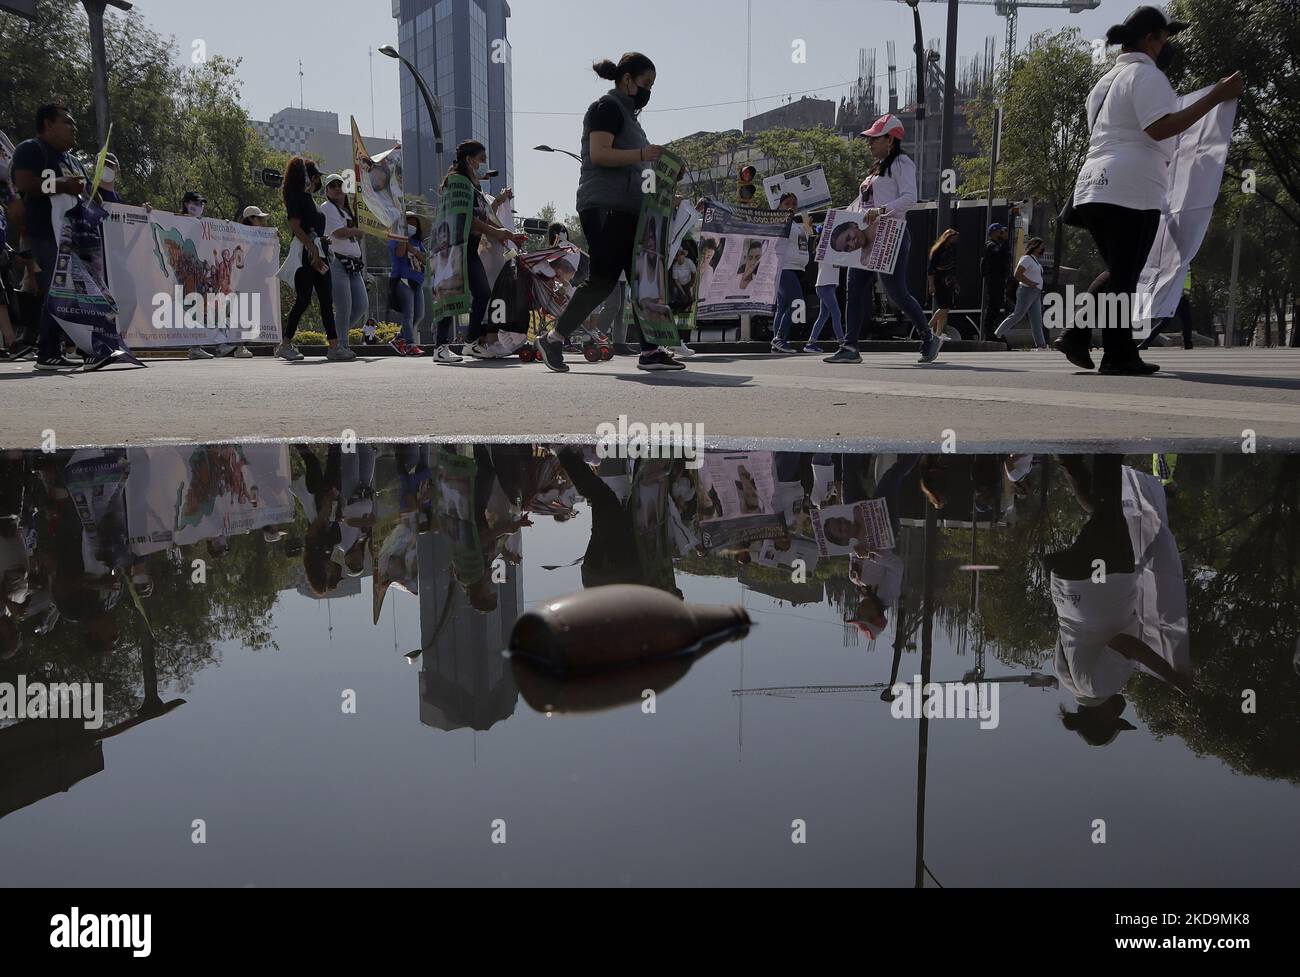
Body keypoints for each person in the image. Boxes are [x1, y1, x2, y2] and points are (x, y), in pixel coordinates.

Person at [1055, 4, 1242, 376]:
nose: (1166, 45)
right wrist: (1216, 96)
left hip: (1092, 187)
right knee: (1124, 274)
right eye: (1164, 37)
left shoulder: (1104, 82)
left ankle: (1080, 337)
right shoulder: (1146, 75)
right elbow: (1158, 128)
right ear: (1149, 38)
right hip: (1130, 188)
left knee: (1121, 271)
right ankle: (1115, 354)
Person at [536, 52, 684, 372]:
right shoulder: (605, 108)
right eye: (646, 83)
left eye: (652, 86)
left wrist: (660, 194)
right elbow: (600, 154)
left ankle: (650, 350)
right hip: (604, 206)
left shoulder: (631, 120)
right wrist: (644, 153)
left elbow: (637, 170)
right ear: (627, 79)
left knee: (641, 275)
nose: (648, 91)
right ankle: (554, 338)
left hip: (629, 208)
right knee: (603, 280)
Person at [824, 114, 942, 365]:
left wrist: (882, 209)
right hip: (865, 235)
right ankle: (850, 346)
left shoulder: (902, 163)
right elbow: (863, 203)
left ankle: (928, 336)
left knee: (896, 292)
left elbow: (910, 198)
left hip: (891, 235)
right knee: (853, 289)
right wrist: (839, 219)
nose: (869, 143)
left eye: (874, 139)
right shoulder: (876, 170)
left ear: (890, 139)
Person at [10, 104, 88, 372]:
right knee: (60, 283)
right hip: (45, 231)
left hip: (75, 234)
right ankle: (47, 350)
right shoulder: (31, 149)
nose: (73, 127)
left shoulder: (72, 160)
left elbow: (87, 191)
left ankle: (85, 346)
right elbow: (25, 184)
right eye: (67, 122)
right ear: (47, 124)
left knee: (73, 288)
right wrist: (63, 185)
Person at [442, 142, 528, 361]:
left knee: (482, 294)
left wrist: (507, 235)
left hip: (469, 247)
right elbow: (467, 219)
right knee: (449, 295)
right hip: (453, 246)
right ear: (470, 160)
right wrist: (499, 232)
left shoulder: (473, 186)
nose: (483, 164)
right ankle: (440, 347)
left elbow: (487, 218)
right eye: (481, 159)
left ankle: (470, 343)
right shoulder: (458, 182)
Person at [280, 156, 353, 362]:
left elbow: (311, 228)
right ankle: (285, 345)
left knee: (325, 301)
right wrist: (312, 247)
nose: (317, 181)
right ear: (307, 177)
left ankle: (334, 347)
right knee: (303, 300)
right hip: (307, 255)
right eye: (315, 177)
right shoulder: (295, 198)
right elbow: (295, 227)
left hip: (319, 253)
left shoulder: (310, 199)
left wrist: (321, 242)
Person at [320, 173, 368, 354]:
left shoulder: (349, 212)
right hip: (337, 262)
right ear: (327, 191)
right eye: (332, 186)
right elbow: (338, 232)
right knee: (344, 306)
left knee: (361, 306)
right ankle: (340, 345)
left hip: (353, 265)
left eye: (340, 185)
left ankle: (337, 337)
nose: (337, 189)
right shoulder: (327, 207)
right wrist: (357, 231)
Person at [771, 191, 811, 353]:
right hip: (785, 268)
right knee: (798, 304)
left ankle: (777, 344)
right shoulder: (780, 221)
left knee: (783, 307)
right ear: (779, 205)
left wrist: (807, 230)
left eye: (794, 204)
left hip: (796, 268)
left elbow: (801, 245)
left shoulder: (795, 224)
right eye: (787, 203)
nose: (791, 207)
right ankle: (779, 338)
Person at [994, 236, 1048, 349]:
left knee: (1036, 319)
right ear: (1035, 247)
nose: (1042, 249)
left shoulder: (1036, 261)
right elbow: (1017, 274)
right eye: (1041, 247)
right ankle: (997, 334)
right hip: (1026, 291)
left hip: (1036, 293)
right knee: (1018, 314)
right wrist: (1031, 283)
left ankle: (1041, 345)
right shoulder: (1026, 258)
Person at [388, 210, 427, 356]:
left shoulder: (418, 242)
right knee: (408, 314)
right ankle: (410, 344)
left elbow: (425, 259)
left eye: (414, 223)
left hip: (417, 280)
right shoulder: (394, 238)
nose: (412, 225)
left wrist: (413, 249)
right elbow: (399, 253)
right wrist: (403, 238)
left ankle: (399, 339)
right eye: (408, 222)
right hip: (403, 279)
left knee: (419, 314)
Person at [926, 229, 970, 341]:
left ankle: (938, 333)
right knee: (943, 307)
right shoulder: (938, 250)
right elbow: (930, 269)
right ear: (949, 237)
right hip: (939, 280)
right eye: (954, 237)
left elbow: (952, 268)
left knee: (946, 307)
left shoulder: (950, 249)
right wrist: (931, 285)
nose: (956, 239)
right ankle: (927, 327)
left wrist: (955, 283)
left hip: (948, 280)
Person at [806, 245, 843, 354]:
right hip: (824, 286)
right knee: (836, 313)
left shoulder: (834, 249)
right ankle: (842, 343)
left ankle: (810, 343)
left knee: (823, 316)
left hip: (829, 285)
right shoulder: (824, 248)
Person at [979, 223, 1010, 340]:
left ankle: (994, 332)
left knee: (997, 307)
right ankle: (989, 334)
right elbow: (1000, 252)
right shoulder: (990, 245)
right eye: (1000, 232)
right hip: (994, 281)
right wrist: (1005, 239)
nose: (1002, 234)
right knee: (993, 307)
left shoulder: (998, 244)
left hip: (1000, 280)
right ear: (993, 232)